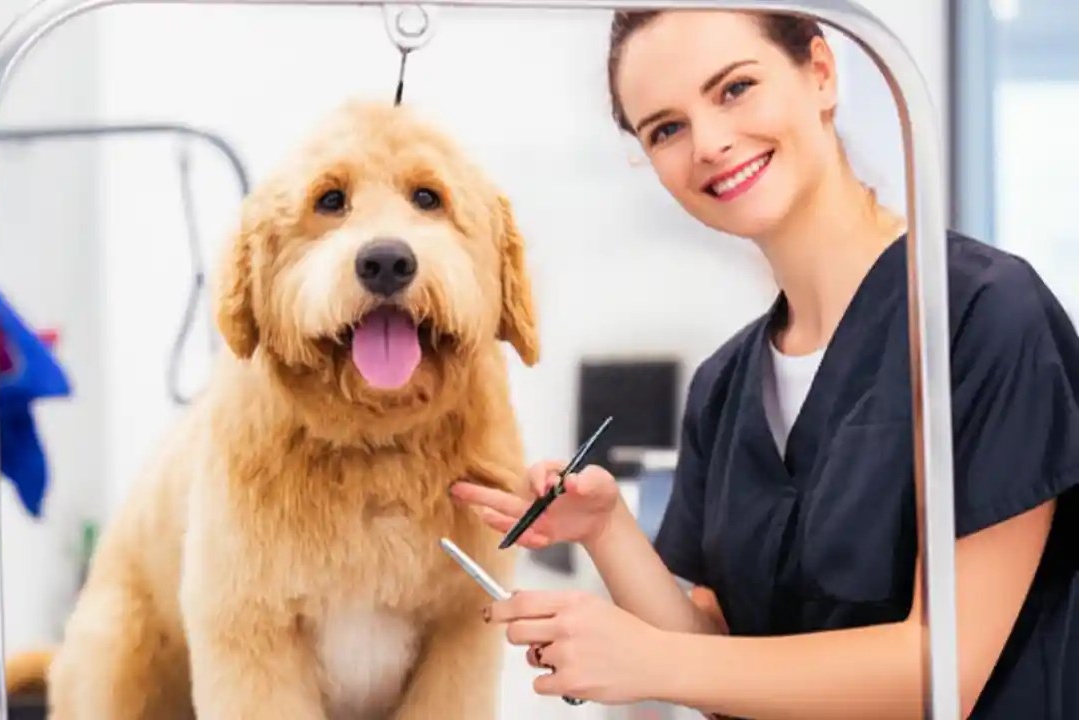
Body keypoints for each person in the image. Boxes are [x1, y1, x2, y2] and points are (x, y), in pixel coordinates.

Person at [449, 9, 1077, 720]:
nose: (710, 143)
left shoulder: (985, 316)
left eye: (734, 89)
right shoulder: (725, 388)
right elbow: (721, 655)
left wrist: (651, 658)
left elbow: (943, 672)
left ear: (821, 73)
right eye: (666, 129)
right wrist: (606, 531)